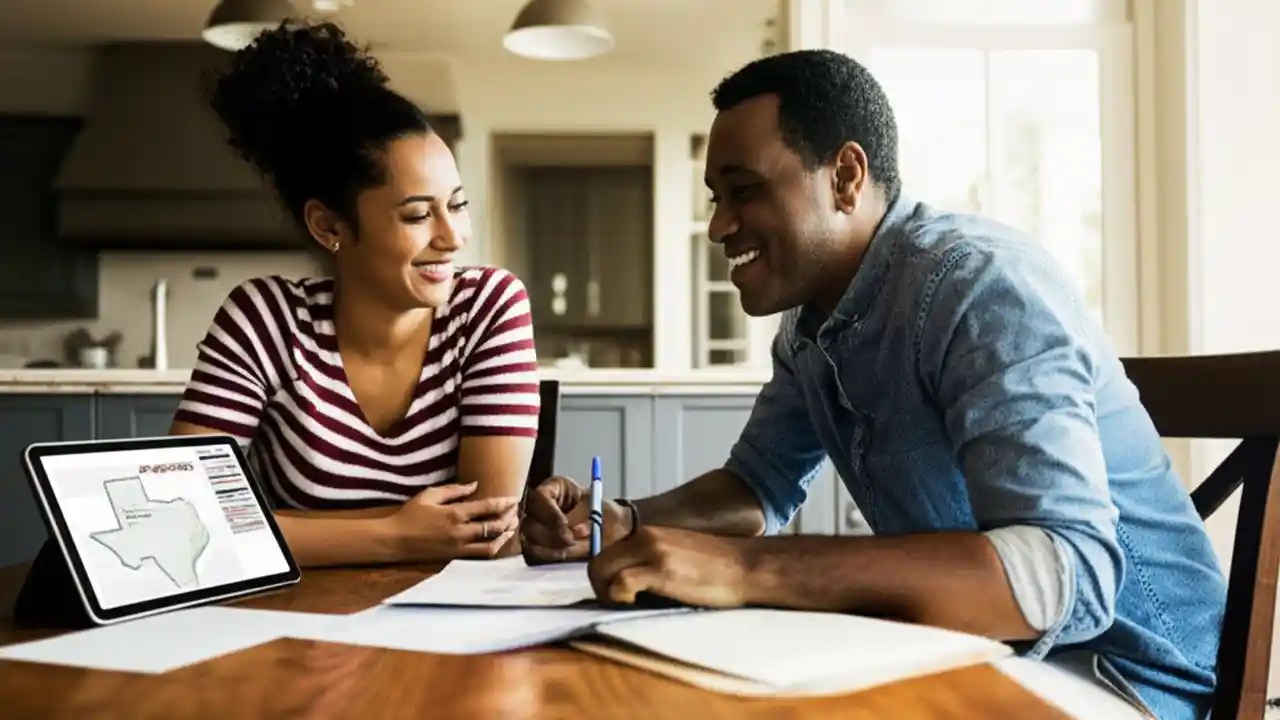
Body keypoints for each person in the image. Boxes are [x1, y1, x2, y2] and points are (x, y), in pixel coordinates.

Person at [520, 49, 1225, 720]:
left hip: (1126, 678)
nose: (719, 225)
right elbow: (755, 489)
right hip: (976, 654)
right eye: (715, 197)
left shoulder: (981, 287)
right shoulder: (810, 328)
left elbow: (1061, 577)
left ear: (845, 176)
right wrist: (628, 520)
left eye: (745, 191)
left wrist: (743, 570)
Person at [169, 21, 539, 568]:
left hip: (450, 626)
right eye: (417, 214)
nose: (453, 237)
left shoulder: (489, 306)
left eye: (456, 205)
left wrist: (269, 528)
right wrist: (399, 533)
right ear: (328, 226)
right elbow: (184, 516)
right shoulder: (264, 319)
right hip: (289, 628)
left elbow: (483, 526)